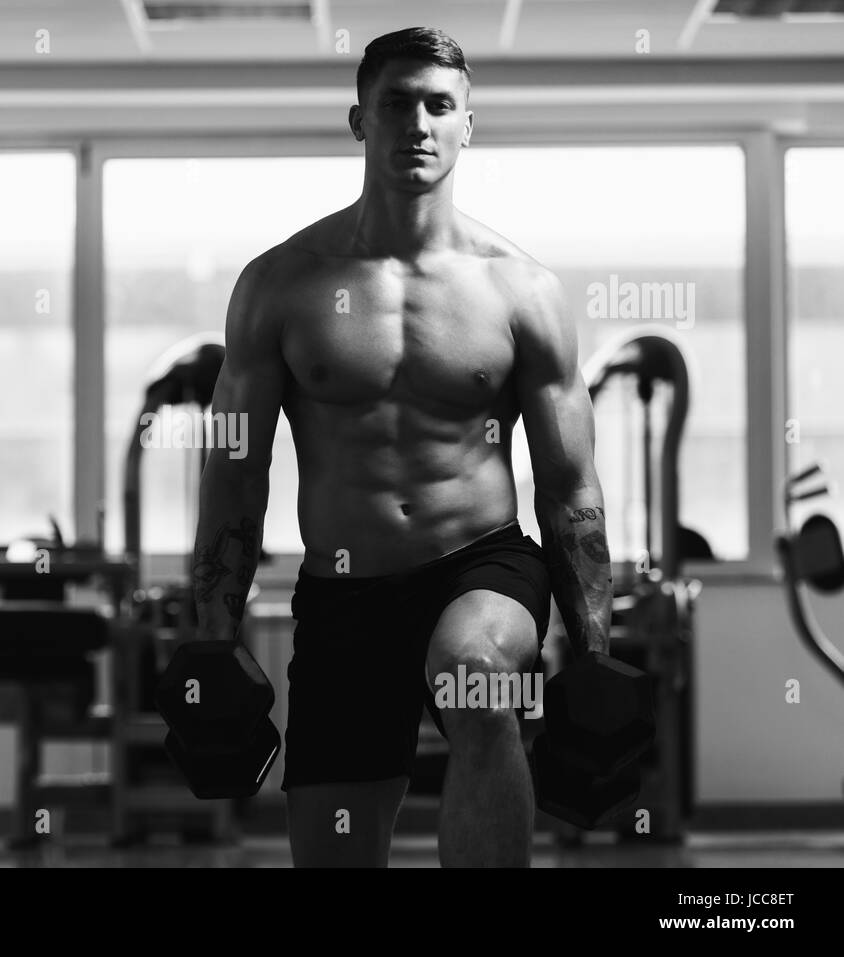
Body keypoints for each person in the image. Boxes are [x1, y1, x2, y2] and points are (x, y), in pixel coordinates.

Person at [190, 26, 612, 867]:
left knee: (479, 677)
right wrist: (212, 633)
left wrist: (595, 656)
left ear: (467, 125)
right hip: (345, 592)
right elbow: (236, 473)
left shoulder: (520, 291)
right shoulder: (279, 285)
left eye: (438, 104)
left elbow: (569, 489)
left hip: (481, 564)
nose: (417, 122)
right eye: (396, 103)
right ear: (359, 120)